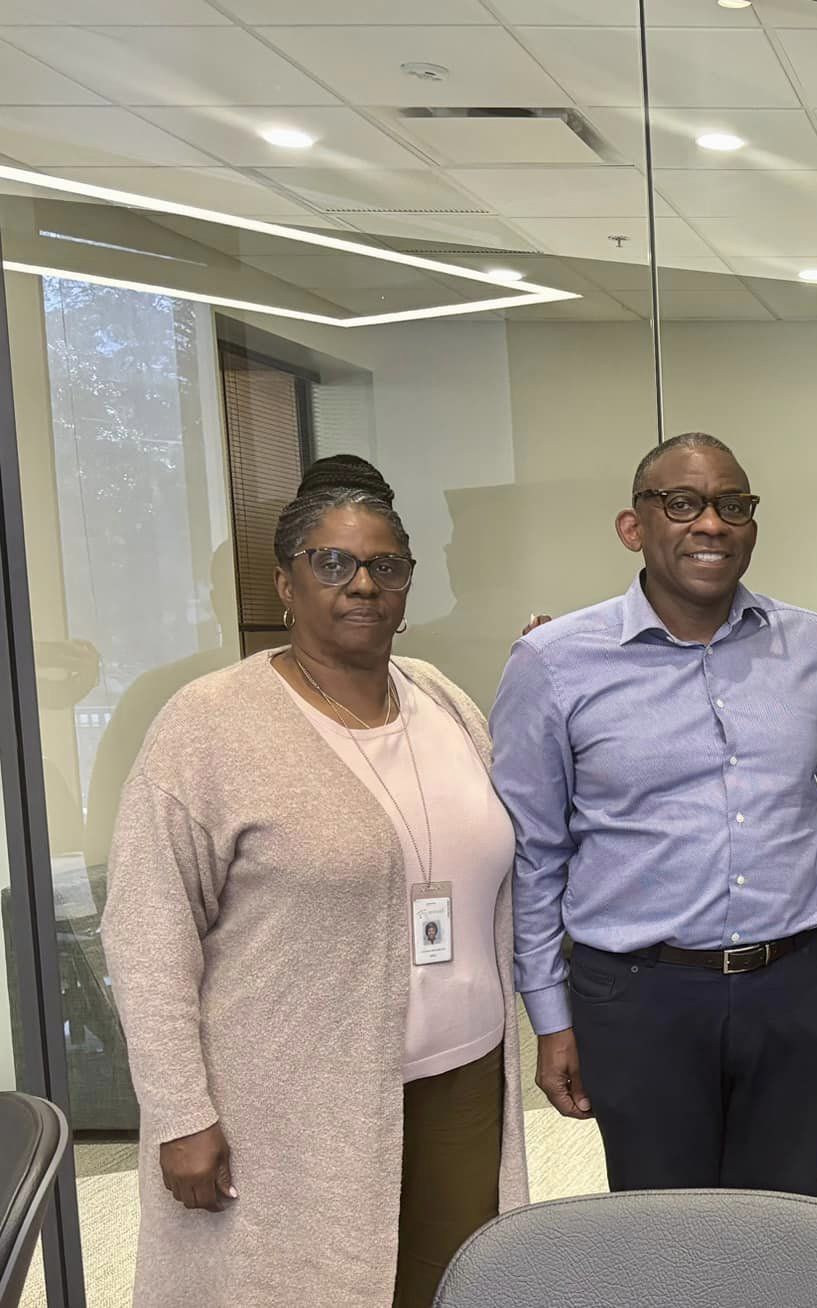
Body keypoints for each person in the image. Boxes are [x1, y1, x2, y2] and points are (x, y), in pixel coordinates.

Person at [102, 455, 527, 1307]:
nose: (362, 584)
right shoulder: (210, 723)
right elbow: (146, 933)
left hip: (463, 1074)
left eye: (386, 566)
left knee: (450, 1284)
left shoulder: (441, 699)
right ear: (285, 585)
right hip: (290, 1097)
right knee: (304, 1285)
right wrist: (181, 1111)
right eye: (333, 562)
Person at [492, 432, 817, 1194]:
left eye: (733, 505)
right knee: (663, 1236)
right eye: (683, 503)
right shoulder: (554, 662)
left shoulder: (809, 644)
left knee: (784, 1223)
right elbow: (533, 856)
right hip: (639, 999)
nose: (711, 523)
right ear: (634, 527)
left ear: (752, 528)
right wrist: (549, 1016)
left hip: (794, 988)